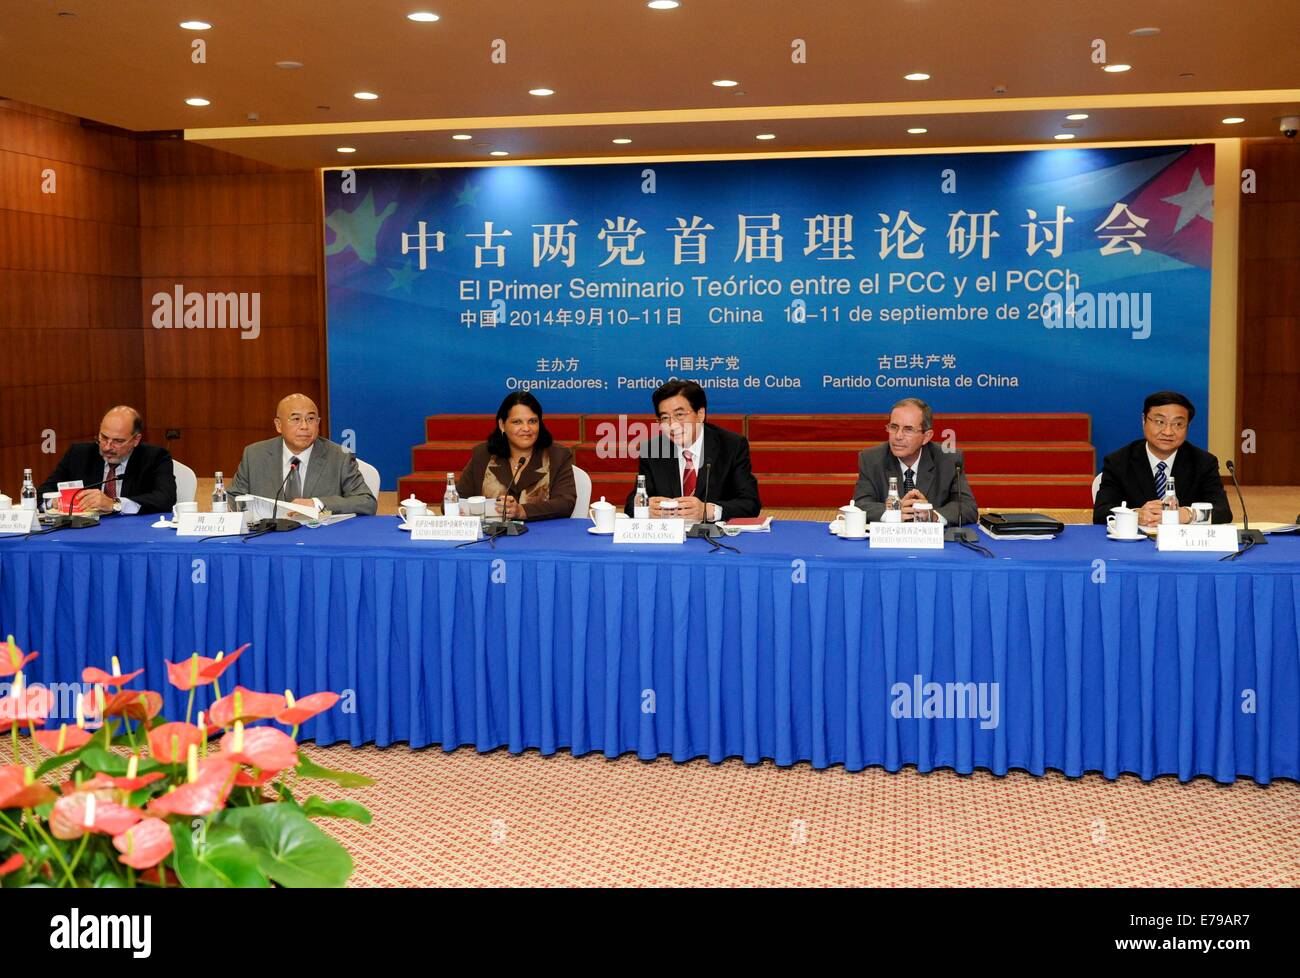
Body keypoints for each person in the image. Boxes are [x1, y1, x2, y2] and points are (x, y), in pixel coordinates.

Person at [624, 379, 761, 520]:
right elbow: (630, 504)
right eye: (664, 417)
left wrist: (709, 510)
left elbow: (750, 504)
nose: (672, 425)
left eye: (679, 415)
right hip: (669, 537)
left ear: (700, 414)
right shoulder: (653, 450)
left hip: (714, 537)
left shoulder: (731, 446)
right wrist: (645, 507)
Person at [1092, 390, 1232, 526]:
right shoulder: (1118, 461)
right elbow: (1100, 513)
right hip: (1134, 544)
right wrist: (1135, 514)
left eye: (1178, 424)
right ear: (1143, 420)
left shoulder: (1204, 462)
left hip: (1183, 545)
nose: (1168, 432)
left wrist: (1188, 514)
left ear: (1188, 426)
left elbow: (1223, 511)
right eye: (1160, 422)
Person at [230, 393, 376, 515]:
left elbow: (366, 502)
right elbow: (232, 497)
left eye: (311, 419)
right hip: (267, 540)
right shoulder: (255, 455)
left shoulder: (339, 456)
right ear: (278, 425)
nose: (305, 426)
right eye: (296, 419)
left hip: (319, 539)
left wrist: (316, 504)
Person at [852, 397, 978, 524]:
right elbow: (860, 505)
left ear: (926, 437)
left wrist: (933, 515)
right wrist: (893, 513)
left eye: (908, 429)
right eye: (894, 427)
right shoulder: (871, 459)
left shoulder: (949, 460)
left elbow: (967, 508)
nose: (898, 436)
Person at [455, 392, 576, 521]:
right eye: (517, 422)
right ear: (502, 425)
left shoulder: (558, 456)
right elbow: (453, 503)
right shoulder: (483, 455)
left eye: (532, 421)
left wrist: (522, 511)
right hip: (490, 536)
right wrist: (464, 511)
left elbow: (565, 504)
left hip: (542, 536)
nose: (526, 428)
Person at [39, 406, 177, 515]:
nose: (107, 447)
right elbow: (41, 493)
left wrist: (114, 504)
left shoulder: (155, 457)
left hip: (132, 534)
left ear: (136, 440)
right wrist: (54, 502)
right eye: (104, 437)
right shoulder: (78, 454)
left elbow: (165, 498)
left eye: (118, 441)